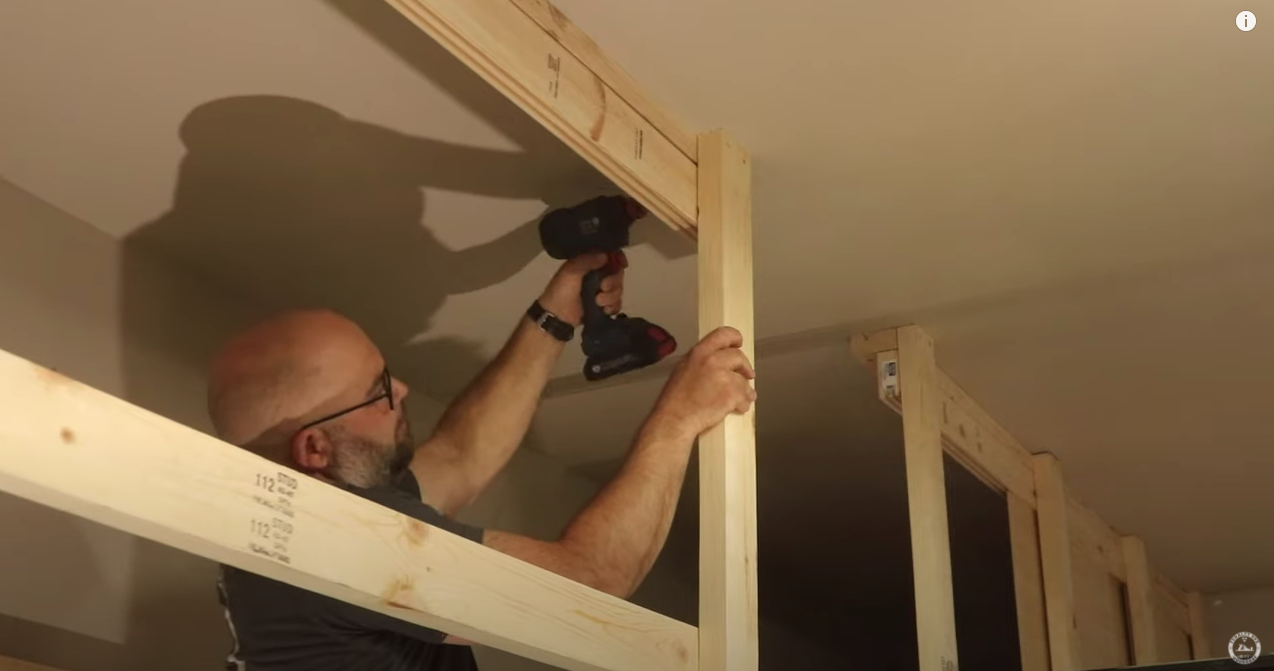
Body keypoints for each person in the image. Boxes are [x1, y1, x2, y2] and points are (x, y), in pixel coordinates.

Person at [206, 252, 757, 671]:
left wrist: (555, 312)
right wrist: (678, 418)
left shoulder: (301, 518)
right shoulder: (338, 541)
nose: (400, 390)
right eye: (376, 392)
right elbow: (586, 583)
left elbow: (461, 455)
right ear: (314, 449)